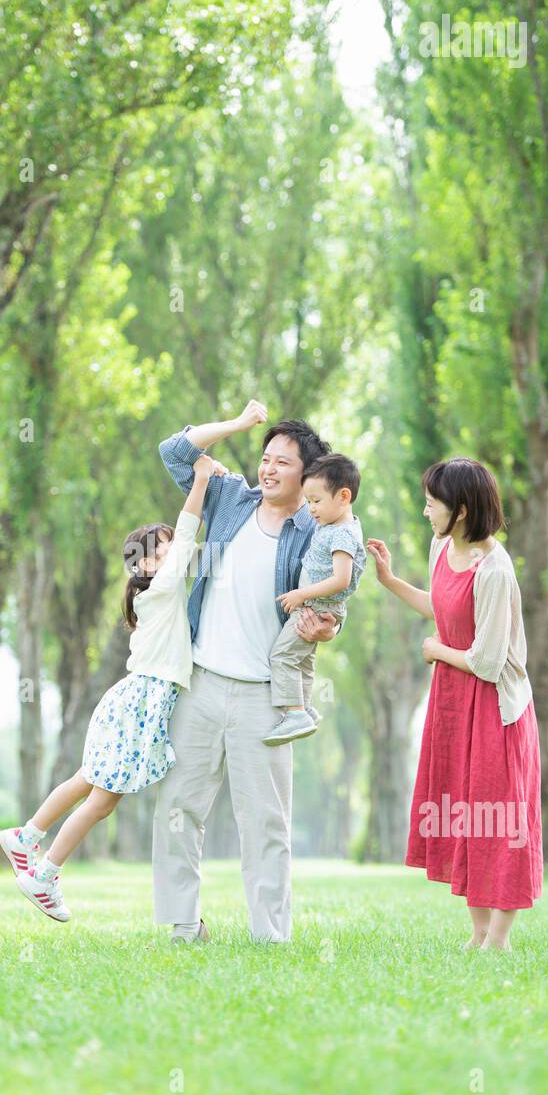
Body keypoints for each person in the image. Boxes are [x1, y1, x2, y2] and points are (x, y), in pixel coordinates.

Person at [0, 456, 220, 923]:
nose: (174, 553)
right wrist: (199, 481)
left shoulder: (153, 594)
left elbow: (191, 546)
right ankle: (44, 873)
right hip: (140, 701)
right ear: (145, 564)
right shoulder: (159, 590)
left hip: (131, 700)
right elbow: (187, 532)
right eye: (161, 550)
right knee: (101, 800)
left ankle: (26, 836)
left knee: (87, 780)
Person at [154, 399, 341, 944]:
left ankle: (270, 936)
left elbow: (334, 601)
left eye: (283, 461)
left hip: (267, 696)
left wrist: (326, 628)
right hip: (201, 681)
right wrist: (239, 425)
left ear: (308, 475)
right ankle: (182, 927)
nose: (269, 468)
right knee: (178, 809)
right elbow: (174, 451)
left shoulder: (314, 529)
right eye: (266, 457)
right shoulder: (232, 496)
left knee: (265, 822)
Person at [367, 457, 542, 951]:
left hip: (495, 706)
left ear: (461, 510)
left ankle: (500, 939)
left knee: (500, 816)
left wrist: (434, 650)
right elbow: (442, 608)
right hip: (453, 702)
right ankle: (478, 932)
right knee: (466, 813)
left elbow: (487, 661)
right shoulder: (442, 547)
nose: (426, 511)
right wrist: (390, 581)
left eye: (432, 503)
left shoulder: (496, 571)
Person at [264, 452, 366, 746]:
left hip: (316, 606)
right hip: (317, 606)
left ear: (344, 496)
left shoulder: (344, 534)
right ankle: (306, 708)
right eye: (308, 501)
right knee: (303, 661)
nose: (310, 509)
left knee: (282, 655)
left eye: (316, 501)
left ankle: (293, 713)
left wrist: (301, 594)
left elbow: (341, 579)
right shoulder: (334, 526)